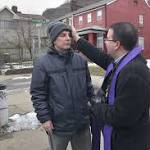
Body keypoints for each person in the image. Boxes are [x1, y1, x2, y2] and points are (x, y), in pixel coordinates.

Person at [71, 22, 150, 150]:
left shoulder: (133, 74)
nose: (105, 42)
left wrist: (96, 105)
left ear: (117, 44)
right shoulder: (123, 62)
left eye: (107, 39)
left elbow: (121, 116)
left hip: (129, 143)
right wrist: (77, 39)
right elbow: (100, 57)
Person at [30, 21, 94, 150]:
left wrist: (92, 108)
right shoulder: (42, 63)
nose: (68, 38)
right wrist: (45, 118)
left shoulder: (80, 60)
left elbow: (89, 87)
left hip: (82, 124)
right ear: (54, 39)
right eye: (63, 35)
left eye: (69, 35)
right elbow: (38, 94)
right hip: (58, 126)